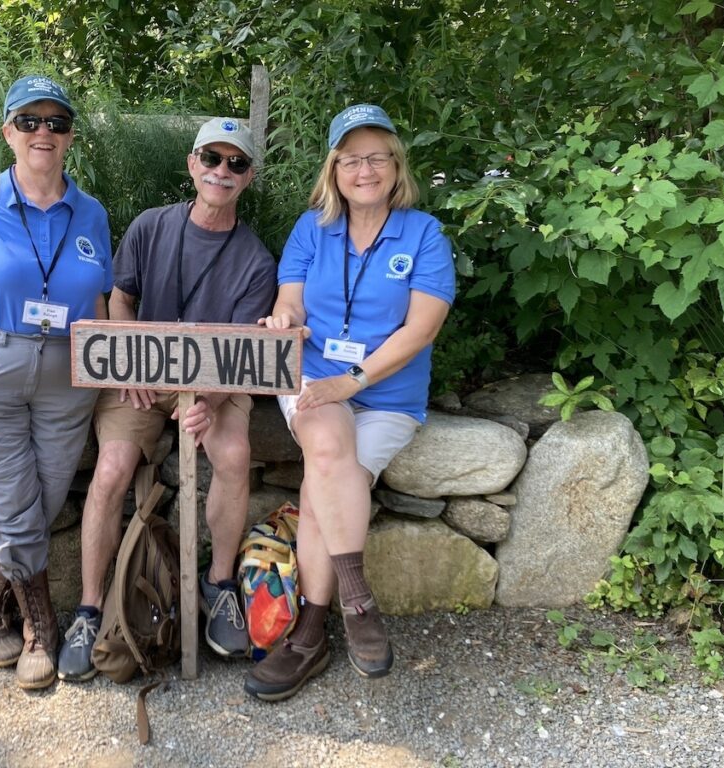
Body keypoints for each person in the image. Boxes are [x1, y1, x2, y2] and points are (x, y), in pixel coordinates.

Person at [245, 104, 455, 701]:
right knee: (331, 450)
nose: (365, 169)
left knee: (322, 488)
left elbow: (420, 330)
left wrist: (354, 380)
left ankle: (309, 634)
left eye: (376, 157)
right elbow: (292, 303)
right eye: (351, 158)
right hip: (311, 377)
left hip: (387, 393)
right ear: (334, 167)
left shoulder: (424, 235)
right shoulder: (312, 228)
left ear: (395, 164)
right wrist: (284, 319)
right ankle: (357, 602)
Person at [57, 117, 277, 681]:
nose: (221, 171)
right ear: (192, 164)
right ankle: (89, 607)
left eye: (236, 163)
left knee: (230, 457)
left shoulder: (255, 259)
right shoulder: (150, 227)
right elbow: (120, 299)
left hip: (214, 387)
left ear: (248, 176)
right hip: (141, 382)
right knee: (111, 470)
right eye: (211, 158)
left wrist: (204, 397)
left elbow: (245, 353)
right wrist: (132, 358)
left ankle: (220, 583)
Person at [0, 75, 114, 691]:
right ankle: (41, 626)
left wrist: (116, 366)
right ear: (8, 131)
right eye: (30, 121)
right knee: (6, 494)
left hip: (68, 370)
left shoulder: (91, 213)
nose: (44, 133)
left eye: (56, 123)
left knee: (44, 496)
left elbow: (104, 298)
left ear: (70, 138)